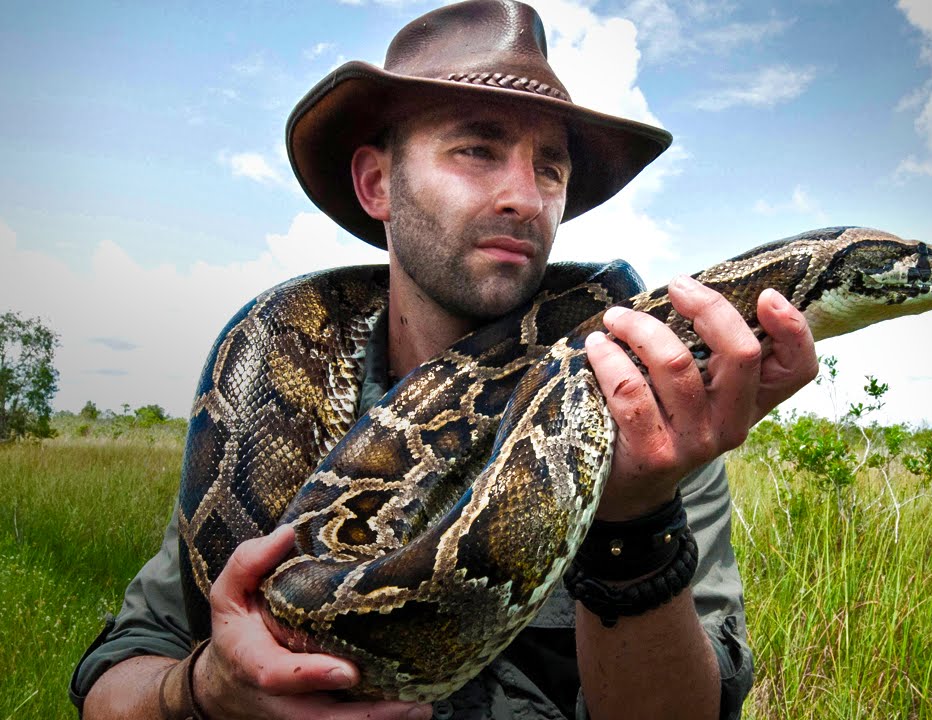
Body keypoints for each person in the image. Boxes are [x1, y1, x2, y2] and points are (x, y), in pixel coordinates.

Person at [70, 1, 819, 718]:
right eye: (477, 150)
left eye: (551, 168)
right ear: (377, 183)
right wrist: (202, 692)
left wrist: (635, 521)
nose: (526, 197)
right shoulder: (264, 401)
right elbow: (115, 684)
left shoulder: (650, 413)